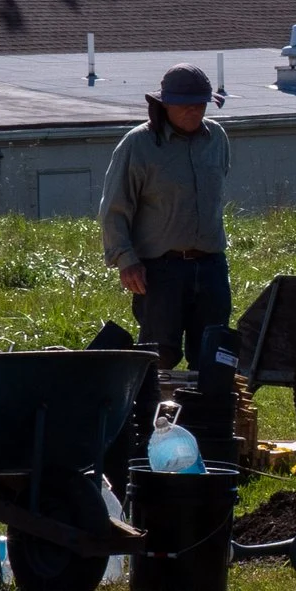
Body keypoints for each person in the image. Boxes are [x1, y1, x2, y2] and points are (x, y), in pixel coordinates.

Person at [100, 64, 231, 368]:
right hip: (160, 271)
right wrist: (126, 260)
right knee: (160, 355)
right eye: (187, 105)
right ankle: (155, 415)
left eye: (201, 104)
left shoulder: (217, 139)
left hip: (210, 265)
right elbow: (115, 208)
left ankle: (205, 415)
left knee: (213, 355)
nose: (195, 111)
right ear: (165, 105)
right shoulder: (138, 145)